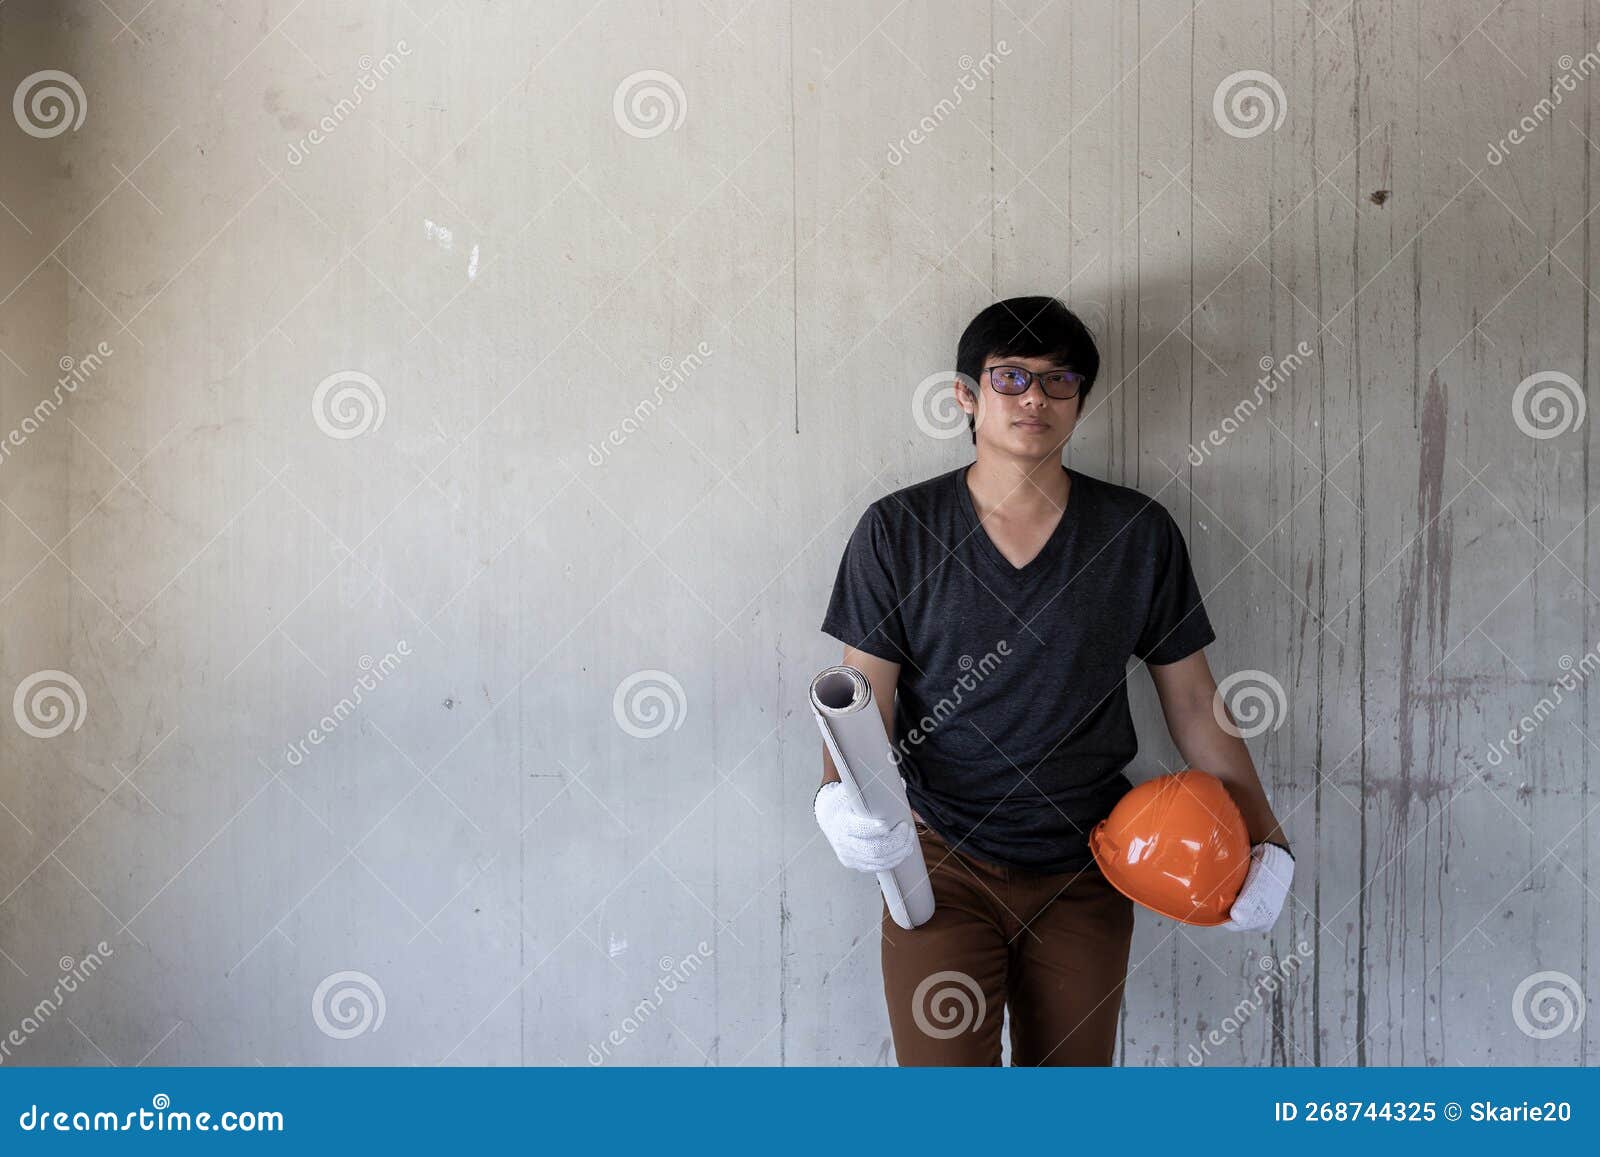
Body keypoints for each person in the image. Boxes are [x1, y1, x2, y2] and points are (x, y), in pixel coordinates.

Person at [815, 297, 1294, 1066]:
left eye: (1057, 380)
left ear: (1079, 401)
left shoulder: (1136, 534)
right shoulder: (898, 531)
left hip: (1093, 866)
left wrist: (1268, 842)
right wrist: (833, 797)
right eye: (1010, 377)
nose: (1034, 397)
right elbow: (859, 694)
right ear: (966, 397)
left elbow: (1197, 705)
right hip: (938, 864)